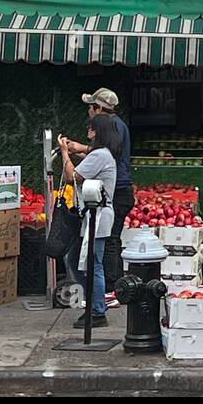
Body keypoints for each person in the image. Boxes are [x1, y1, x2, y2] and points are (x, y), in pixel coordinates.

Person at [64, 88, 133, 291]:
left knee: (107, 243)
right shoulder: (116, 127)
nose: (89, 112)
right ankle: (108, 289)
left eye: (91, 107)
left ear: (99, 108)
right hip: (117, 190)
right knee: (106, 243)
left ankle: (112, 288)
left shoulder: (112, 128)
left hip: (114, 192)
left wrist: (74, 151)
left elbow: (103, 157)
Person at [60, 112, 121, 329]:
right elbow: (89, 163)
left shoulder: (100, 155)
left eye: (91, 128)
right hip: (96, 216)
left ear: (98, 132)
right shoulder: (103, 154)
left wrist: (66, 153)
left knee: (92, 264)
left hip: (98, 217)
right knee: (78, 258)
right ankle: (95, 306)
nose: (89, 132)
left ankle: (97, 311)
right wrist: (77, 151)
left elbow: (72, 176)